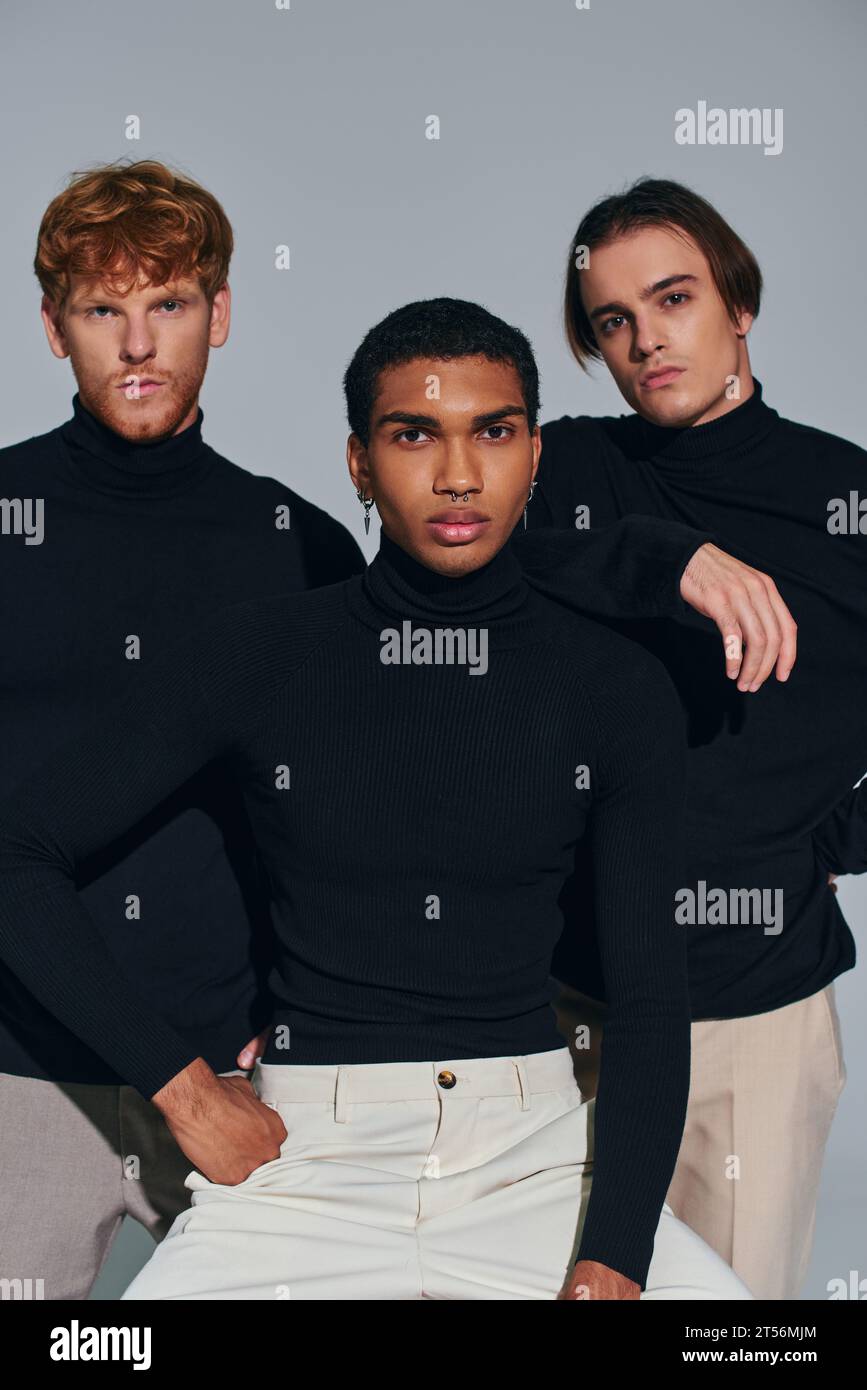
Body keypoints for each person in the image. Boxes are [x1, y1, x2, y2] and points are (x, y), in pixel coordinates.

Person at [0, 299, 759, 1300]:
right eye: (414, 434)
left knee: (750, 1337)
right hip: (306, 1155)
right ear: (358, 462)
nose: (456, 473)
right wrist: (182, 1088)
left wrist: (615, 1253)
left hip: (531, 1147)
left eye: (493, 431)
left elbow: (654, 1004)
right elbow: (17, 852)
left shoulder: (613, 687)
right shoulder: (260, 655)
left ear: (533, 453)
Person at [0, 158, 365, 1300]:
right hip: (21, 1066)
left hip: (239, 1066)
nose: (139, 341)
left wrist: (295, 1025)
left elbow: (333, 823)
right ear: (56, 330)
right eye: (103, 309)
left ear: (221, 313)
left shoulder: (298, 546)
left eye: (167, 303)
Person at [536, 176, 863, 1299]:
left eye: (671, 299)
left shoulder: (845, 497)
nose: (644, 340)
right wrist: (668, 556)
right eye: (613, 321)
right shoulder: (575, 468)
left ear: (738, 304)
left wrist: (818, 841)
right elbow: (496, 535)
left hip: (753, 1017)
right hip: (568, 1013)